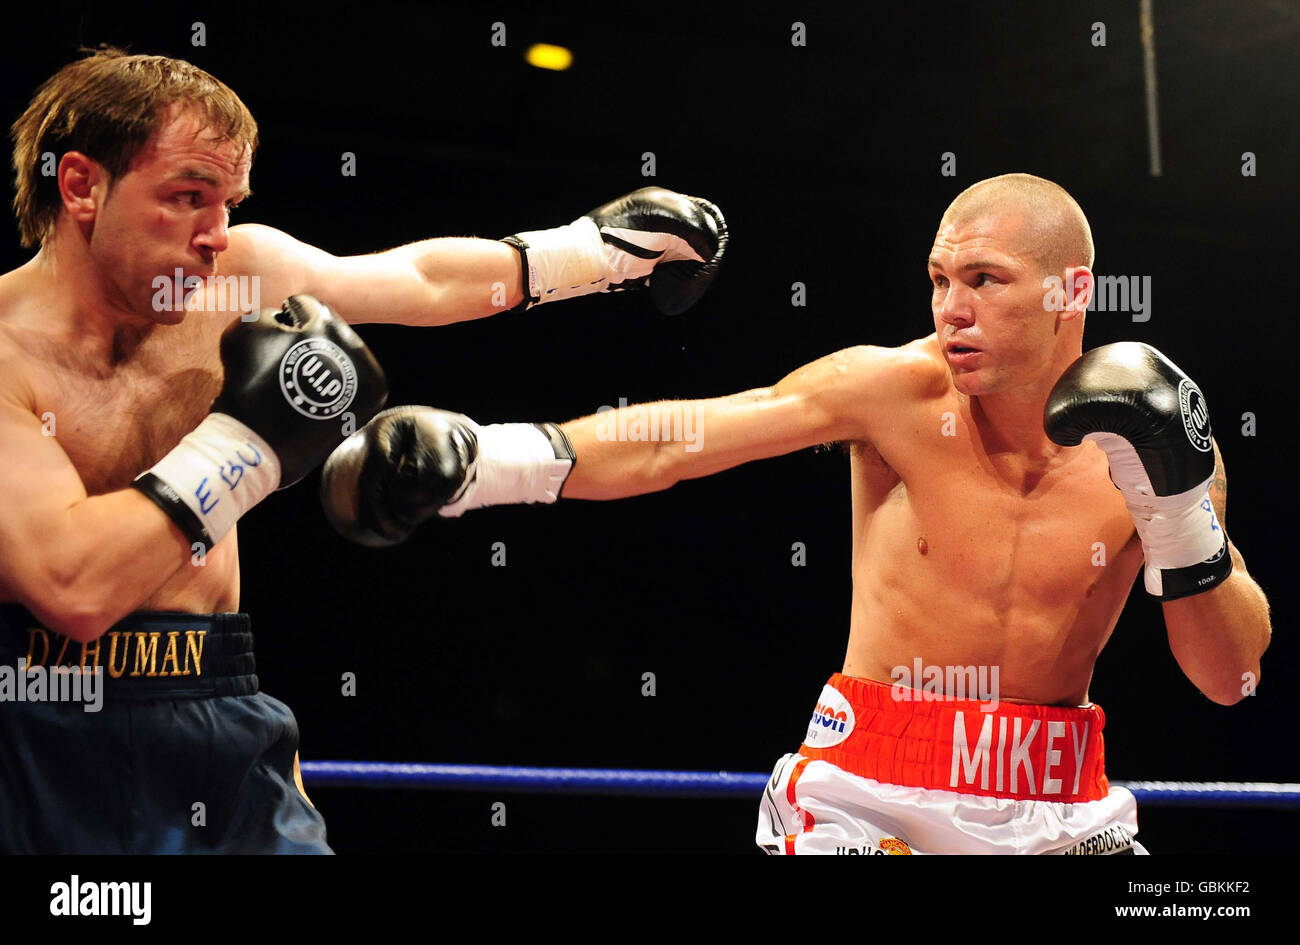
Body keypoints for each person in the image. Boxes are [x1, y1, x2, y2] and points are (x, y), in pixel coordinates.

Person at [320, 173, 1272, 855]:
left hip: (1058, 800)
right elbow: (690, 434)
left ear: (1074, 292)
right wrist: (491, 461)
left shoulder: (1157, 447)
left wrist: (1182, 515)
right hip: (870, 792)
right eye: (940, 280)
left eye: (984, 280)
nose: (951, 309)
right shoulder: (894, 389)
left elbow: (1231, 679)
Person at [0, 47, 725, 853]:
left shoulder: (235, 276)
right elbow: (71, 584)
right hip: (41, 716)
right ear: (80, 186)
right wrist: (250, 441)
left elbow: (416, 278)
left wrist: (592, 253)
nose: (215, 236)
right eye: (187, 197)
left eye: (230, 203)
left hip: (219, 696)